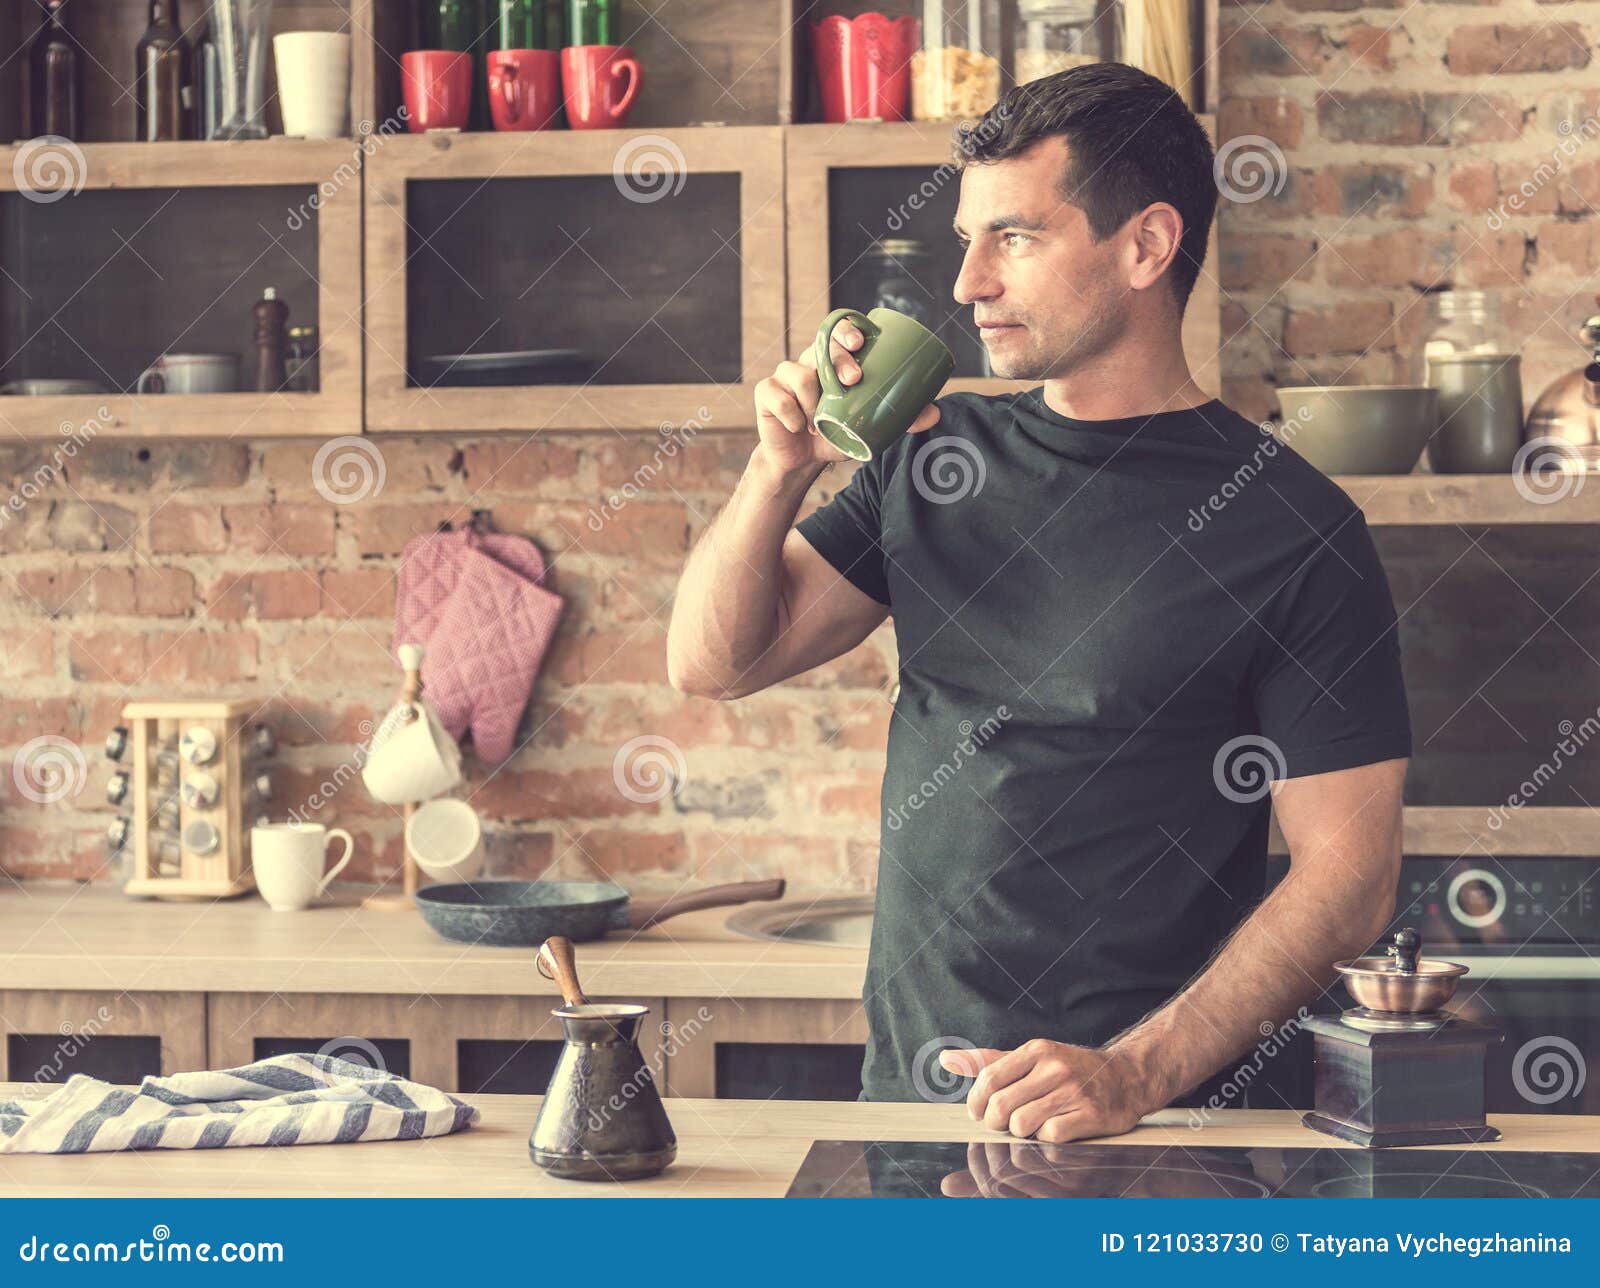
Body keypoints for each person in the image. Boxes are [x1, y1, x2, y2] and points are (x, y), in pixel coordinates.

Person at [666, 62, 1410, 1142]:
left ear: (1146, 246)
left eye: (1012, 238)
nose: (969, 283)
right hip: (914, 1110)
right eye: (968, 239)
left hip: (1159, 1131)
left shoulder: (1293, 527)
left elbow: (1353, 876)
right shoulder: (932, 458)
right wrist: (774, 472)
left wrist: (1132, 1075)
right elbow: (714, 664)